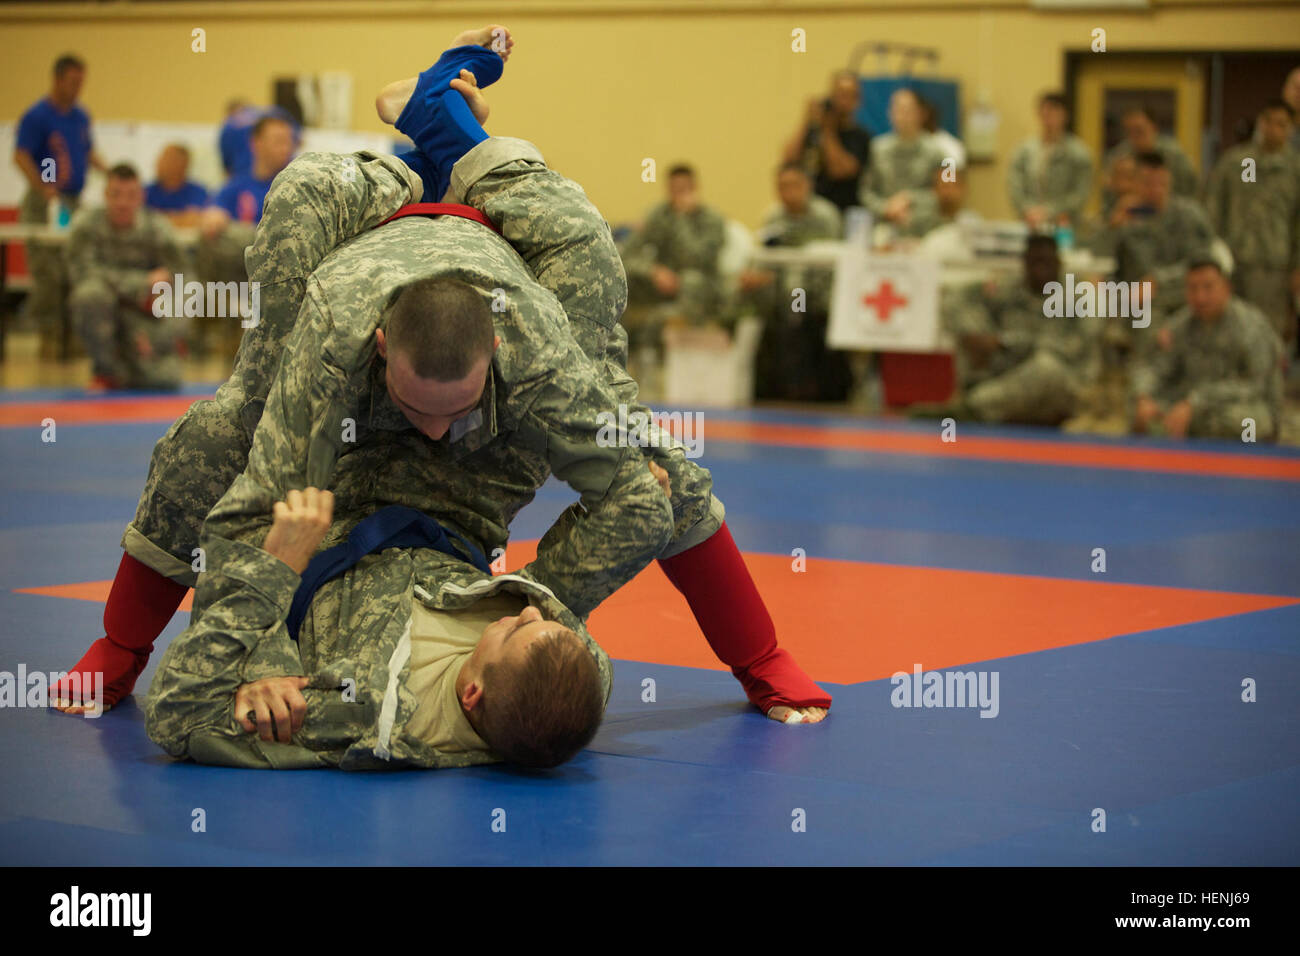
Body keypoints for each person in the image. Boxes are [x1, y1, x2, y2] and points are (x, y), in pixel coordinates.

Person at [55, 26, 829, 730]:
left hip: (502, 295)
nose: (432, 430)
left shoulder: (539, 353)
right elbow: (254, 509)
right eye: (418, 407)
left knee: (651, 443)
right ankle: (119, 646)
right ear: (383, 348)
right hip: (366, 243)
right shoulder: (335, 337)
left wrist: (526, 610)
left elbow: (637, 495)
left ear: (496, 353)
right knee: (222, 426)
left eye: (448, 410)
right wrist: (260, 653)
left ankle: (759, 658)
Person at [145, 487, 616, 770]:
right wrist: (605, 508)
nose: (532, 614)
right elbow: (553, 599)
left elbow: (177, 716)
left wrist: (276, 570)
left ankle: (122, 646)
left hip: (317, 535)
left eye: (516, 630)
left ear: (472, 694)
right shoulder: (575, 676)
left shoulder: (366, 710)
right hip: (445, 514)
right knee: (640, 499)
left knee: (216, 436)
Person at [945, 234, 1098, 425]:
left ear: (1059, 263)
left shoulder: (1079, 297)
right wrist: (978, 337)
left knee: (1047, 367)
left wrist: (1004, 343)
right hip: (1014, 377)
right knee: (971, 333)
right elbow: (956, 299)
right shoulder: (1009, 290)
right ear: (1024, 263)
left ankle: (973, 408)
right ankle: (982, 402)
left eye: (1047, 262)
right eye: (1034, 262)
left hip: (1063, 385)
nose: (1040, 268)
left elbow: (1064, 350)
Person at [13, 54, 108, 358]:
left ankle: (73, 335)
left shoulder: (80, 116)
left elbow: (88, 151)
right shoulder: (38, 116)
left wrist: (110, 173)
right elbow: (21, 155)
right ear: (57, 79)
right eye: (73, 82)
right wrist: (43, 189)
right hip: (47, 202)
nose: (78, 88)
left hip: (72, 202)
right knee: (48, 269)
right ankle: (49, 334)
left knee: (75, 265)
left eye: (82, 82)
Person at [65, 164, 188, 391]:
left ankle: (130, 364)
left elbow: (186, 282)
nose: (122, 203)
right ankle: (106, 370)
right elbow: (82, 273)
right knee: (89, 295)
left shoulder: (157, 227)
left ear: (141, 196)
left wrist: (162, 338)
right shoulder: (86, 225)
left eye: (131, 195)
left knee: (166, 380)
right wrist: (141, 283)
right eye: (115, 194)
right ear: (105, 195)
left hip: (143, 314)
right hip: (105, 309)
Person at [1130, 259, 1283, 440]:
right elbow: (1154, 367)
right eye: (1193, 289)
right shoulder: (1179, 326)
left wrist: (1197, 402)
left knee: (1242, 425)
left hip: (1243, 408)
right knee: (1140, 413)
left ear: (1226, 288)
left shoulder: (1251, 326)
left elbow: (1255, 385)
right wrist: (1144, 396)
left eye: (1208, 287)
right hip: (1189, 408)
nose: (1200, 297)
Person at [741, 163, 849, 402]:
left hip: (819, 293)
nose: (789, 193)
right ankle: (771, 387)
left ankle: (811, 388)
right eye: (782, 187)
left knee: (797, 307)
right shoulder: (773, 216)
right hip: (781, 294)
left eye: (795, 186)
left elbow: (831, 262)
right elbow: (765, 260)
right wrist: (755, 278)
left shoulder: (825, 216)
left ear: (807, 186)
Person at [1205, 99, 1300, 349]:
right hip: (1233, 262)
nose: (1273, 129)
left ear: (1291, 128)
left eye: (1282, 124)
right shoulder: (1240, 163)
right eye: (1268, 121)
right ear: (1260, 122)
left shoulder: (1295, 168)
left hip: (1274, 267)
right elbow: (1214, 209)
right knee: (1228, 333)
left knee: (1268, 335)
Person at [1113, 151, 1217, 351]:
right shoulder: (1129, 216)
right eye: (1147, 183)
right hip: (1137, 302)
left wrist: (1158, 281)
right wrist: (1114, 227)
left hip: (1184, 297)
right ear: (1135, 185)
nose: (1155, 190)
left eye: (1161, 183)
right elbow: (1111, 266)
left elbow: (1205, 262)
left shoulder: (1189, 216)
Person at [619, 163, 727, 352]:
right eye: (674, 190)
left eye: (684, 189)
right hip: (664, 282)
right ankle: (622, 346)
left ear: (695, 189)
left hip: (702, 286)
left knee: (691, 281)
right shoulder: (658, 215)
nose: (679, 195)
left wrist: (682, 219)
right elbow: (627, 254)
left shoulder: (712, 220)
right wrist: (653, 271)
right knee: (622, 277)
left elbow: (694, 259)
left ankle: (681, 346)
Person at [857, 87, 946, 236]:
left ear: (921, 114)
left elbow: (950, 193)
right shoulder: (876, 149)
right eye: (897, 109)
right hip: (884, 230)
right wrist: (885, 208)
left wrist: (910, 198)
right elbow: (864, 192)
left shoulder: (942, 152)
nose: (902, 116)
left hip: (926, 230)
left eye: (908, 110)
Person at [782, 70, 871, 217]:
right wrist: (807, 122)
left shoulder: (861, 137)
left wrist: (828, 131)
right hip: (811, 211)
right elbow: (789, 159)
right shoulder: (815, 130)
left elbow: (839, 171)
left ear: (857, 100)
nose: (842, 101)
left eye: (848, 95)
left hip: (845, 212)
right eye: (839, 94)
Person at [1006, 92, 1093, 231]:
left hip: (1064, 226)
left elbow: (1079, 194)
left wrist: (1049, 211)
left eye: (1053, 110)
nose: (1047, 115)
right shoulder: (1024, 151)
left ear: (1065, 115)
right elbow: (1015, 185)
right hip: (1030, 223)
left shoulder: (1078, 153)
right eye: (1044, 110)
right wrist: (1028, 209)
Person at [1103, 106, 1198, 212]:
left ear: (1154, 128)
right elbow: (1109, 195)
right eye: (1129, 131)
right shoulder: (1120, 156)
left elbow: (1190, 192)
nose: (1134, 137)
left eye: (1139, 130)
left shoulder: (1175, 157)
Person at [144, 144, 208, 227]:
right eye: (160, 158)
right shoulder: (146, 191)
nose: (158, 163)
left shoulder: (197, 192)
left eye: (166, 159)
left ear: (183, 165)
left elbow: (194, 220)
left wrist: (159, 219)